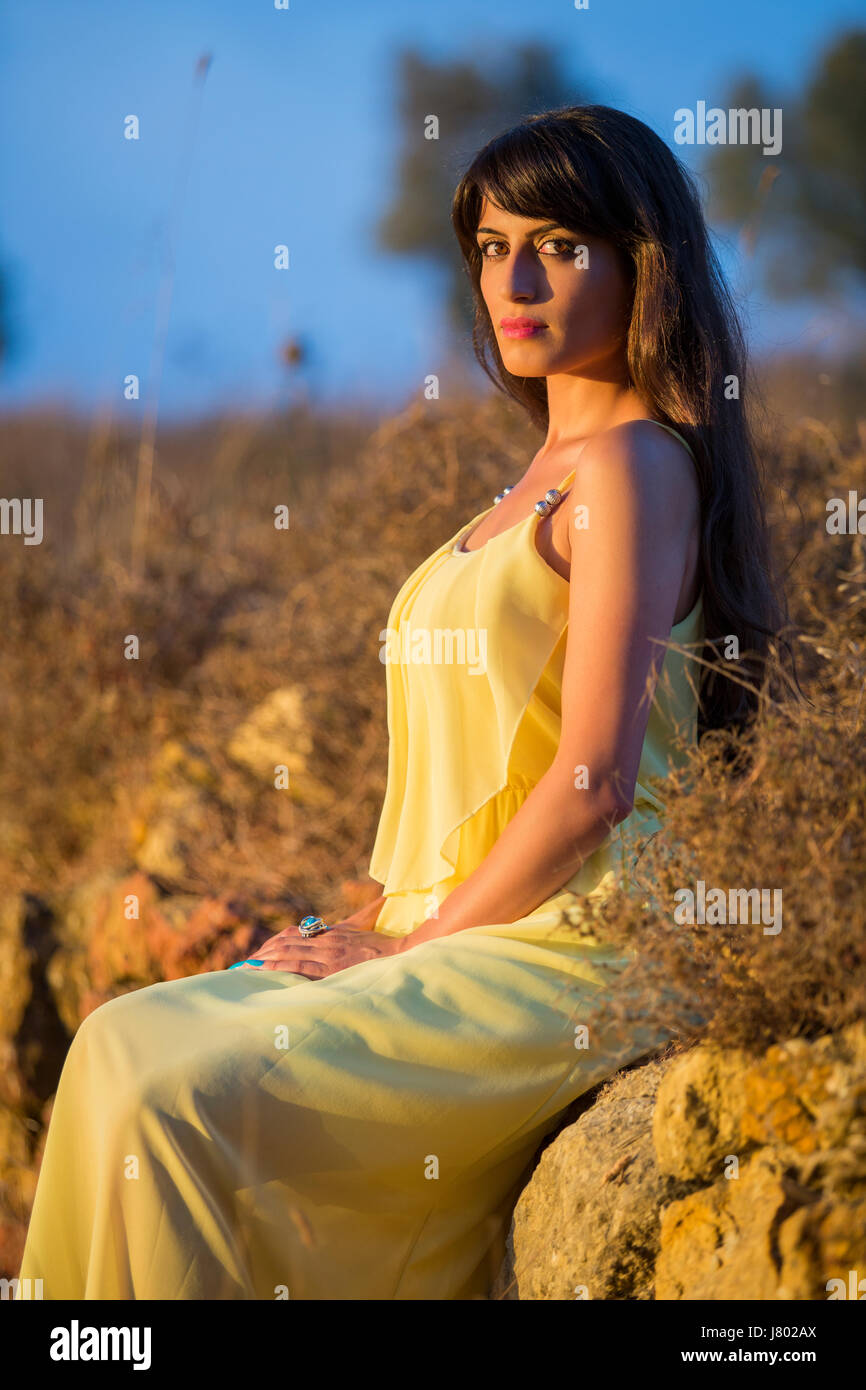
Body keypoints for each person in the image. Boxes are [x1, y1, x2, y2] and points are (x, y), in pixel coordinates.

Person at [17, 104, 785, 1301]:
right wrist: (367, 913)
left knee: (174, 1100)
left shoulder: (636, 464)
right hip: (448, 920)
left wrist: (406, 946)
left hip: (563, 948)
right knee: (116, 1039)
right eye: (489, 245)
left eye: (556, 243)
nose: (514, 278)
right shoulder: (520, 485)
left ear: (640, 259)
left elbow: (593, 782)